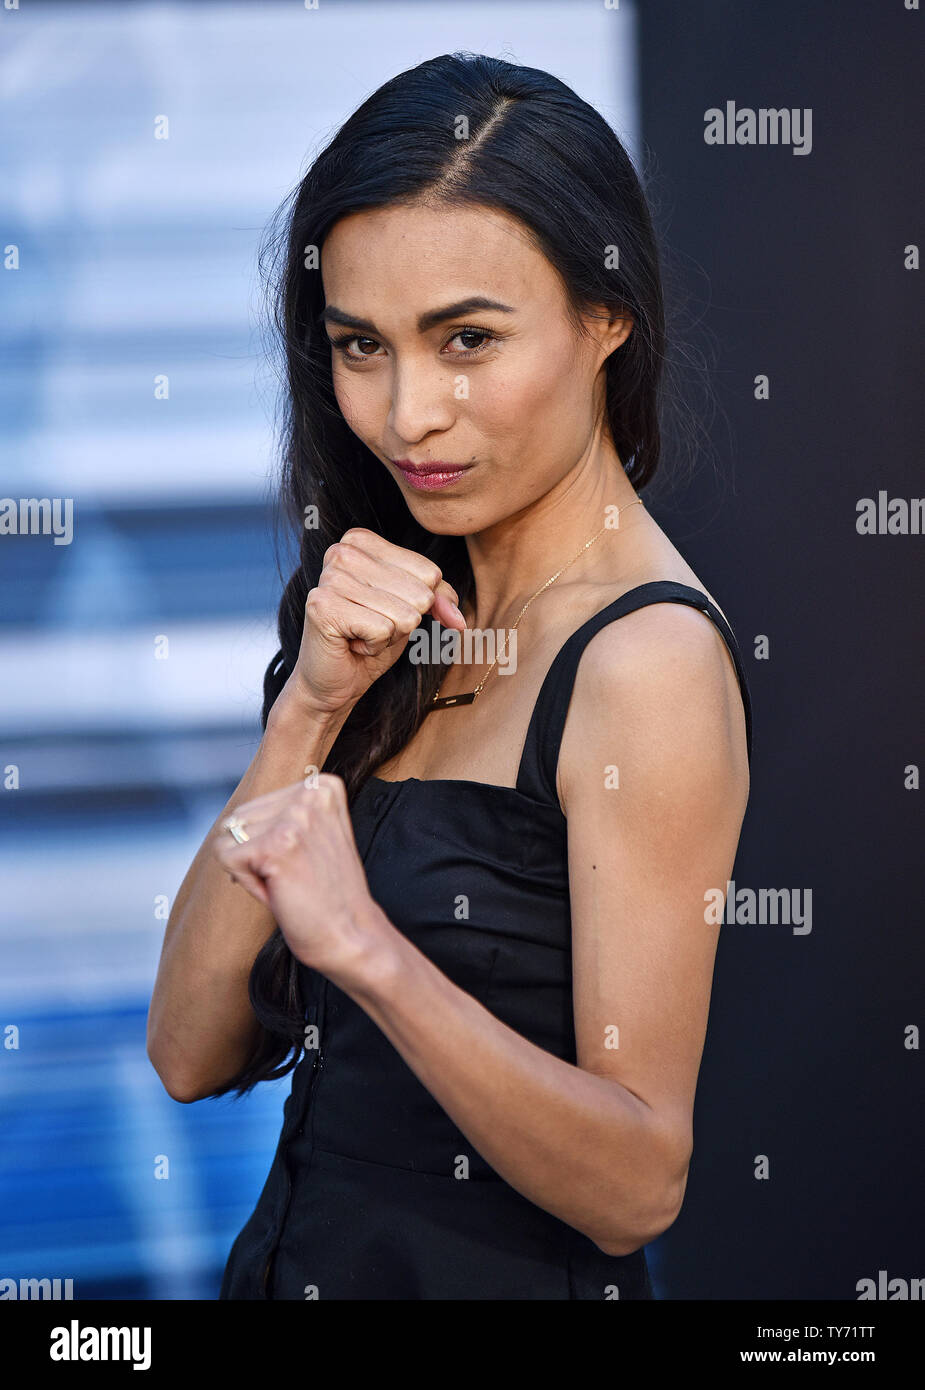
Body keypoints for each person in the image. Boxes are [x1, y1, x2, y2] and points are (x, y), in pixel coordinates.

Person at [147, 51, 753, 1300]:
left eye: (466, 338)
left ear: (607, 315)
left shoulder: (645, 660)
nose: (408, 410)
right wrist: (311, 708)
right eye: (359, 345)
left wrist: (369, 948)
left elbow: (641, 1180)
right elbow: (188, 1052)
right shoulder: (390, 613)